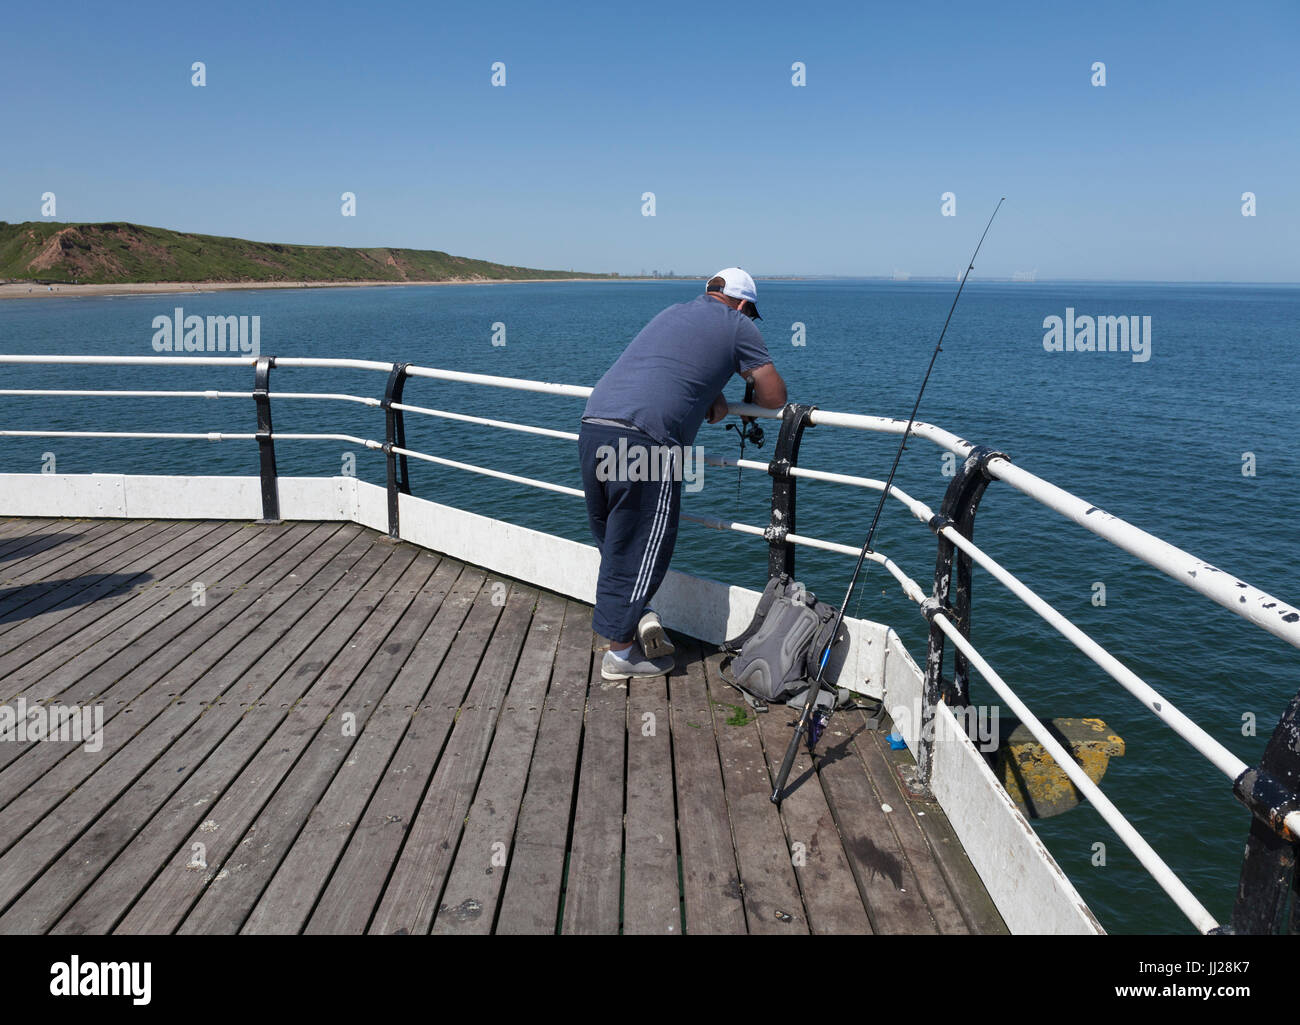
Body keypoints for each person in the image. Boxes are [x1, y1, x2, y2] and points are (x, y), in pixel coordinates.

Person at [579, 267, 788, 680]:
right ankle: (620, 657)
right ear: (744, 305)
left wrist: (712, 393)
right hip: (646, 441)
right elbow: (774, 395)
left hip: (595, 426)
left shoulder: (672, 312)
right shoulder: (737, 326)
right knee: (644, 546)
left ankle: (635, 618)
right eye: (749, 314)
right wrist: (732, 386)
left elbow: (669, 367)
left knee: (616, 542)